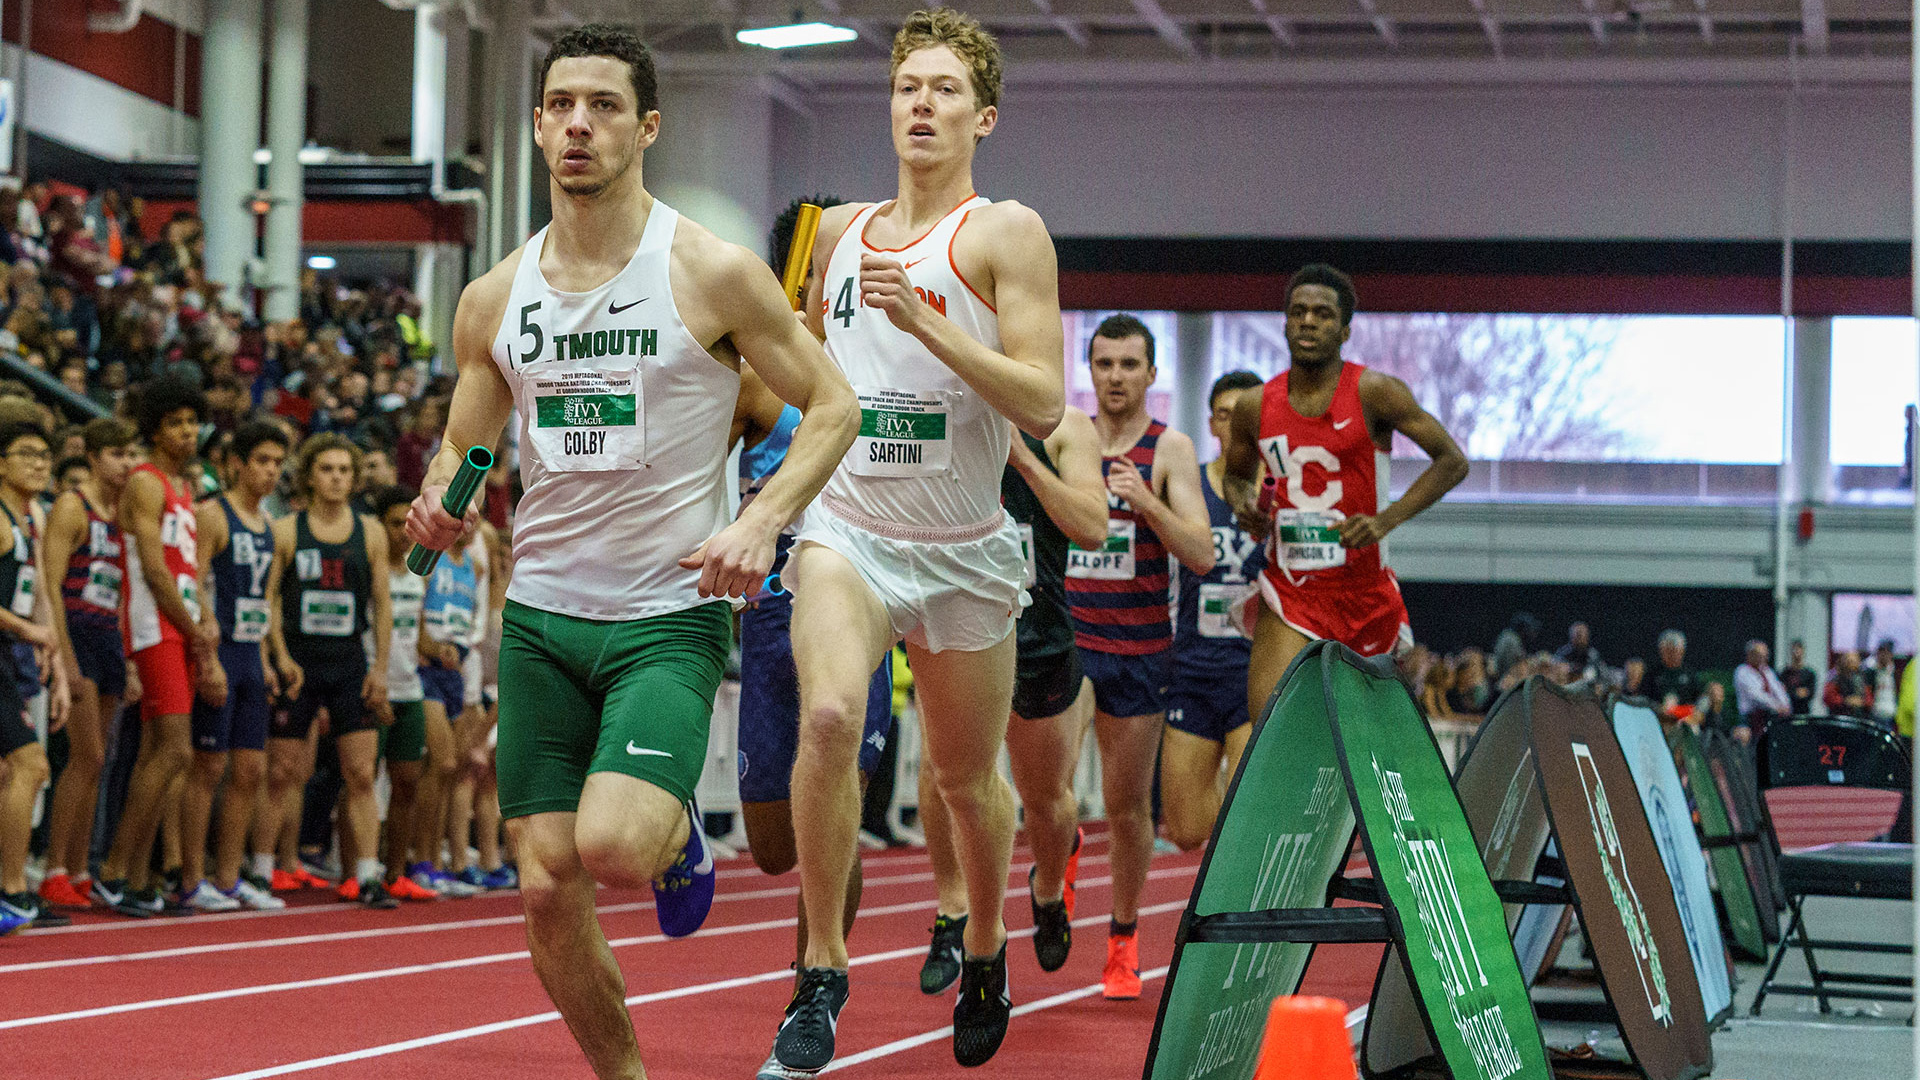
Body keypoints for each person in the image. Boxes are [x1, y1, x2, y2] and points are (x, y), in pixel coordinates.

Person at [403, 25, 856, 1080]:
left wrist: (760, 521)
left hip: (666, 615)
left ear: (645, 128)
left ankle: (674, 836)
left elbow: (835, 405)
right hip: (544, 619)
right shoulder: (494, 296)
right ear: (535, 124)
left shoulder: (711, 270)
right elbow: (466, 450)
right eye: (560, 104)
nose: (577, 124)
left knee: (608, 845)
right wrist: (444, 504)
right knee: (546, 884)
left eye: (603, 106)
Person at [773, 10, 1065, 1070]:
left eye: (945, 90)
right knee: (832, 718)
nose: (922, 105)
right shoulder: (836, 233)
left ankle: (984, 943)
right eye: (907, 88)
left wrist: (930, 323)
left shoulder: (1004, 233)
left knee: (961, 780)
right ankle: (819, 966)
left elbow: (1042, 402)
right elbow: (804, 374)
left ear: (982, 115)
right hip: (849, 528)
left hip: (964, 546)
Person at [1222, 264, 1468, 755]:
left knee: (1361, 750)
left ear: (1345, 329)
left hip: (1363, 594)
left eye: (1322, 314)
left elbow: (1452, 461)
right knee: (1271, 734)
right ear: (1285, 323)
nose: (1308, 322)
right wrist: (1244, 504)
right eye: (1298, 312)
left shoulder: (1376, 392)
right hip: (1289, 590)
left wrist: (1385, 520)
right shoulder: (1254, 405)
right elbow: (1234, 475)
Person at [731, 354, 896, 1080]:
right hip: (770, 619)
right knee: (771, 848)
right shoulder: (750, 375)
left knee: (838, 801)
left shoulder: (886, 367)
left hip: (860, 606)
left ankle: (813, 993)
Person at [916, 398, 1104, 1003]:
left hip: (1040, 637)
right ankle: (953, 908)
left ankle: (1049, 888)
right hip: (961, 623)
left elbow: (1092, 525)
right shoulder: (935, 403)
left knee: (1046, 801)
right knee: (943, 770)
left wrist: (1021, 457)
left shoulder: (1065, 426)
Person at [1061, 314, 1215, 1000]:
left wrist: (1145, 499)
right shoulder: (1065, 434)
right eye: (1104, 364)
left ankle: (1122, 940)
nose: (1116, 377)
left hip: (1142, 647)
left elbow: (1202, 553)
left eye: (1129, 365)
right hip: (1070, 638)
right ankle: (1056, 866)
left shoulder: (1171, 448)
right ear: (1088, 371)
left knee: (1127, 810)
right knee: (1051, 792)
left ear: (1152, 374)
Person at [94, 375, 211, 917]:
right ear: (155, 429)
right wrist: (192, 629)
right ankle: (114, 869)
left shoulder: (185, 487)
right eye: (176, 423)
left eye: (192, 422)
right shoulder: (145, 482)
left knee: (158, 755)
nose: (187, 432)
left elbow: (189, 568)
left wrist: (201, 621)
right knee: (175, 751)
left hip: (179, 622)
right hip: (153, 624)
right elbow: (153, 569)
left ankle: (139, 875)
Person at [262, 434, 395, 907]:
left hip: (348, 663)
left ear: (355, 478)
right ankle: (264, 870)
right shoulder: (285, 530)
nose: (337, 477)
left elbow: (383, 605)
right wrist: (279, 656)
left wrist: (380, 668)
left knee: (360, 772)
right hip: (299, 660)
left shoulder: (372, 532)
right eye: (327, 469)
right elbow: (270, 599)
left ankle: (365, 873)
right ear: (309, 476)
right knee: (281, 771)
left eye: (344, 469)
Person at [180, 421, 291, 910]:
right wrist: (207, 659)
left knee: (249, 770)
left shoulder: (269, 525)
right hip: (220, 652)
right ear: (237, 463)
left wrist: (268, 658)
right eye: (262, 461)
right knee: (207, 766)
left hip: (250, 655)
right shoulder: (212, 515)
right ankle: (188, 879)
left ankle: (228, 877)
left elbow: (264, 598)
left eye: (278, 463)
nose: (271, 471)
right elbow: (196, 583)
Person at [1162, 371, 1267, 855]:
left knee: (1247, 823)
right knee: (1184, 831)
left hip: (1255, 673)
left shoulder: (1280, 496)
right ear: (1212, 423)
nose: (1236, 426)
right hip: (1193, 668)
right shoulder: (1190, 488)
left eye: (1247, 415)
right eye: (1227, 415)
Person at [38, 418, 136, 910]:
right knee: (86, 756)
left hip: (107, 637)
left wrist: (129, 658)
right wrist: (64, 657)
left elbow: (121, 590)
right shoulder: (72, 507)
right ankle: (53, 867)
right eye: (117, 454)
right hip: (75, 632)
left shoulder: (123, 514)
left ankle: (78, 869)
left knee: (99, 762)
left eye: (130, 454)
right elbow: (49, 583)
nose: (127, 464)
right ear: (94, 456)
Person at [0, 421, 69, 929]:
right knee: (30, 766)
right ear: (1, 463)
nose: (40, 464)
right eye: (26, 454)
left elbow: (43, 592)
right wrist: (27, 630)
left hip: (12, 655)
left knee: (15, 771)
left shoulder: (34, 518)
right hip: (7, 646)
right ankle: (12, 887)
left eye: (46, 455)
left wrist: (58, 667)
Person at [369, 483, 443, 903]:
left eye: (406, 523)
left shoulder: (421, 570)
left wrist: (439, 649)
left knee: (407, 781)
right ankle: (358, 867)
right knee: (361, 779)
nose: (402, 531)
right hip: (373, 684)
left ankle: (395, 871)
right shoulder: (369, 565)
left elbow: (416, 635)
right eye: (393, 523)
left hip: (409, 686)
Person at [408, 514, 487, 898]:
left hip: (456, 669)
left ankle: (435, 860)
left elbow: (473, 621)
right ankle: (420, 858)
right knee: (439, 763)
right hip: (426, 669)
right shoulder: (428, 558)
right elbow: (413, 611)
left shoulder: (475, 566)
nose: (468, 526)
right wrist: (427, 646)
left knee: (448, 771)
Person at [1732, 639, 1791, 744]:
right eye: (1760, 655)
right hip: (1749, 718)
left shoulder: (1767, 671)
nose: (1764, 658)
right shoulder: (1742, 672)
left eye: (1765, 655)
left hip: (1767, 717)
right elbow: (1757, 696)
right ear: (1750, 655)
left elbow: (1778, 689)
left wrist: (1786, 705)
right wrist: (1777, 706)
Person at [1647, 629, 1705, 722]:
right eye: (1668, 651)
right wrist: (1658, 708)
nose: (1672, 655)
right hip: (1658, 719)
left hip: (1685, 718)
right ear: (1661, 651)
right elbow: (1644, 698)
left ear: (1682, 651)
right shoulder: (1653, 674)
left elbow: (1702, 697)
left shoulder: (1689, 673)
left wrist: (1699, 711)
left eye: (1675, 651)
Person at [1823, 651, 1874, 720]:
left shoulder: (1863, 679)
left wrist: (1862, 702)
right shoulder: (1834, 678)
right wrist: (1846, 701)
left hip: (1860, 719)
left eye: (1854, 661)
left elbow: (1870, 700)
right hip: (1839, 719)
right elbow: (1827, 698)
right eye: (1849, 661)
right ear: (1843, 662)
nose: (1851, 664)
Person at [1779, 639, 1818, 714]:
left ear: (1803, 651)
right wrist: (1796, 692)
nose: (1796, 652)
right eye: (1794, 649)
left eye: (1799, 649)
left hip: (1804, 711)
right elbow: (1782, 692)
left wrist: (1793, 692)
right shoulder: (1784, 673)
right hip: (1788, 711)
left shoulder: (1810, 674)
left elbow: (1811, 693)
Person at [1867, 640, 1899, 725]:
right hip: (1875, 714)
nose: (1884, 656)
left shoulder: (1895, 672)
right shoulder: (1871, 671)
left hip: (1892, 714)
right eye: (1881, 652)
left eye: (1887, 652)